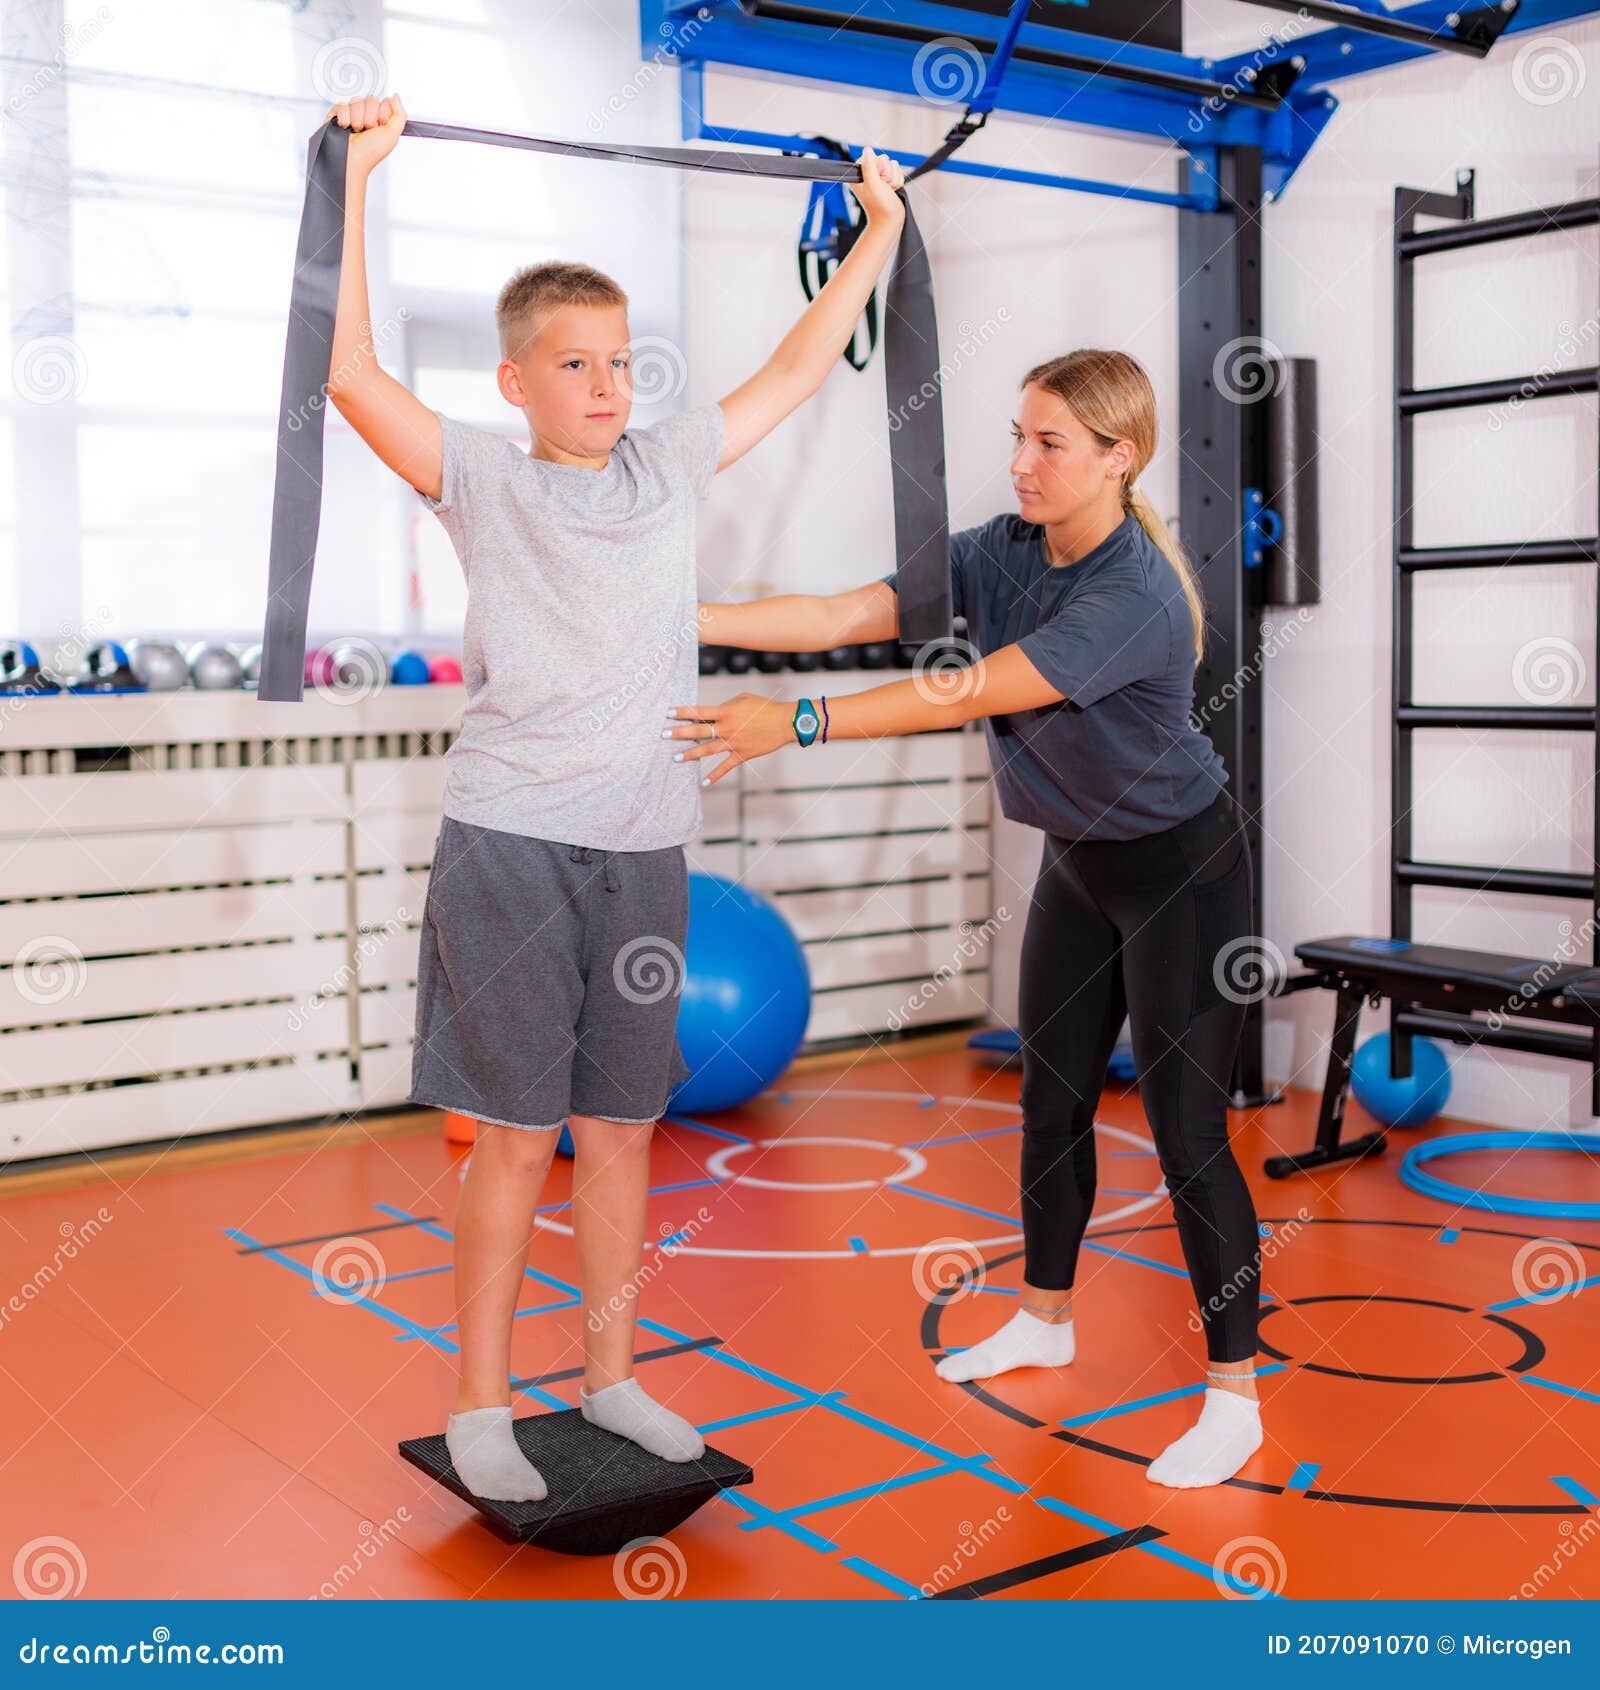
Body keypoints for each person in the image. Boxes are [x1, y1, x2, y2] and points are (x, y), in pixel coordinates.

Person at [323, 92, 909, 1501]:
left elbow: (796, 361)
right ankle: (480, 1400)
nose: (608, 382)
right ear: (519, 383)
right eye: (574, 363)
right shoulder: (480, 474)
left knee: (625, 1132)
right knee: (518, 1138)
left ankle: (610, 1376)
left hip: (648, 846)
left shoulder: (662, 468)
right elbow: (346, 372)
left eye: (619, 359)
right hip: (515, 843)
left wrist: (878, 231)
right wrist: (351, 183)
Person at [670, 348, 1264, 1490]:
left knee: (1188, 1139)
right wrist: (681, 612)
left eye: (1049, 443)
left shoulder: (1129, 593)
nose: (1020, 461)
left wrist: (786, 723)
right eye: (1017, 435)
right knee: (1052, 1102)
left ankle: (1233, 1393)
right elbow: (852, 610)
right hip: (1081, 866)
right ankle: (1046, 1317)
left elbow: (963, 689)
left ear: (1116, 458)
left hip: (1182, 871)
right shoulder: (1002, 551)